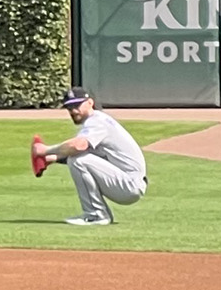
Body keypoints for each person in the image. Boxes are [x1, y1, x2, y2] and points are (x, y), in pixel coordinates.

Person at [35, 88, 147, 227]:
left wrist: (45, 150)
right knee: (77, 158)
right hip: (127, 181)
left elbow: (78, 146)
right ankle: (97, 214)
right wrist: (53, 158)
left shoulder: (97, 122)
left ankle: (96, 215)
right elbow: (89, 153)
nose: (73, 111)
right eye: (69, 107)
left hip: (129, 184)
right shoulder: (98, 120)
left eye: (77, 106)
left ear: (90, 102)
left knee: (77, 161)